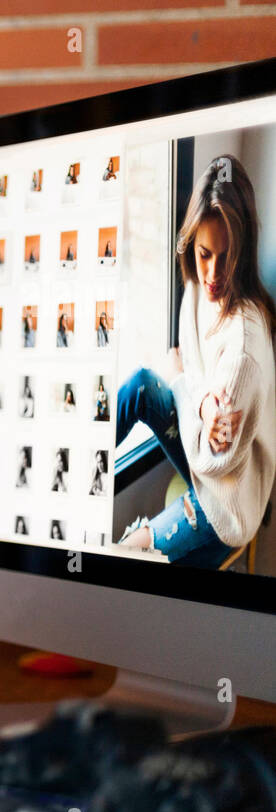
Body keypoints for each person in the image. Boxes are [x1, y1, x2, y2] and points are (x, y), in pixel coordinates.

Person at [116, 154, 276, 567]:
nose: (213, 274)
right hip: (201, 439)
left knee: (125, 554)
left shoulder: (244, 348)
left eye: (228, 256)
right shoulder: (195, 282)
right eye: (205, 253)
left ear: (245, 250)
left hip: (226, 497)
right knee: (137, 385)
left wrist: (182, 381)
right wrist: (203, 402)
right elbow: (191, 366)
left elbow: (211, 459)